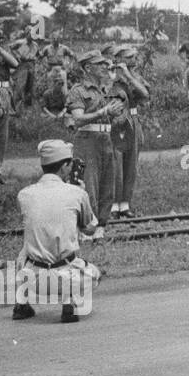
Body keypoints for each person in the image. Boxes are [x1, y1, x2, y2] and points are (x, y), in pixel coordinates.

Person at [12, 140, 102, 323]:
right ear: (64, 166)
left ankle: (21, 303)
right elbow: (90, 228)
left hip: (32, 279)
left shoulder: (24, 194)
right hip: (64, 278)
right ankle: (70, 303)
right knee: (94, 273)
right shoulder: (76, 193)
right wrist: (82, 197)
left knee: (25, 250)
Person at [65, 50, 120, 237]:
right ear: (88, 67)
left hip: (105, 140)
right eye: (100, 64)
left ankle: (101, 226)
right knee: (88, 184)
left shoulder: (104, 90)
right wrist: (102, 112)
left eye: (105, 63)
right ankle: (86, 228)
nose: (105, 67)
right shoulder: (78, 90)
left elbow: (106, 117)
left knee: (107, 184)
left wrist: (112, 113)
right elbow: (78, 119)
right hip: (87, 141)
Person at [109, 47, 150, 219]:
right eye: (129, 57)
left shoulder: (135, 77)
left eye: (134, 56)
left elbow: (145, 94)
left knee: (131, 165)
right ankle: (113, 205)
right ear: (120, 59)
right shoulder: (110, 76)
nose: (134, 59)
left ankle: (125, 204)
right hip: (117, 121)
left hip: (133, 120)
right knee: (116, 165)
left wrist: (129, 76)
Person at [0, 21, 19, 184]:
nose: (0, 32)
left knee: (2, 134)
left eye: (1, 30)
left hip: (3, 93)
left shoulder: (2, 48)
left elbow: (14, 63)